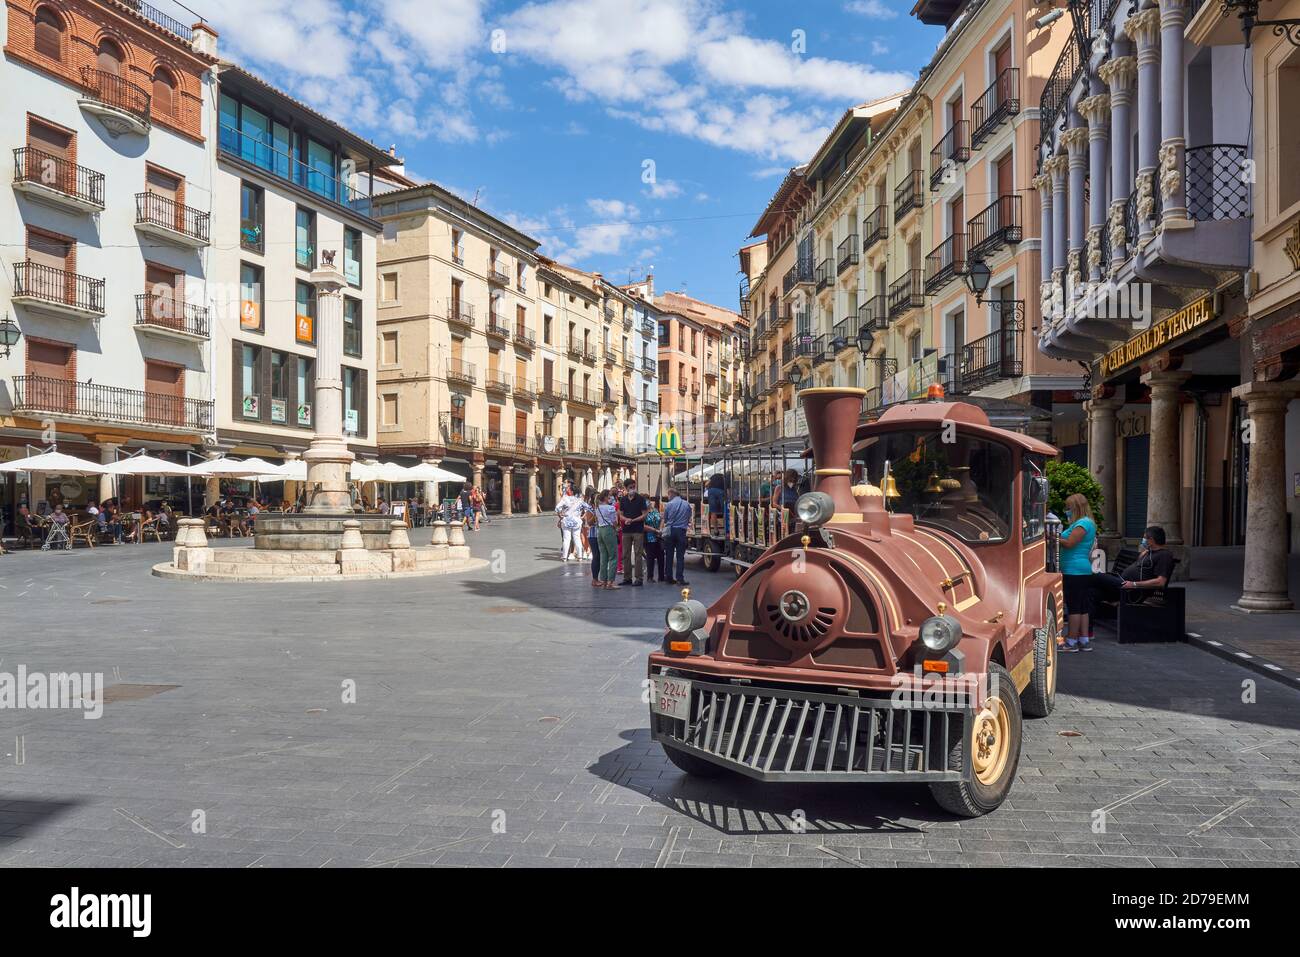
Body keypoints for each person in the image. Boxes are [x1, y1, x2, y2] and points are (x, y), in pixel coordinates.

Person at [1091, 526, 1176, 606]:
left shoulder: (1164, 555)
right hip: (1121, 584)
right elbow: (1138, 567)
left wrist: (1134, 584)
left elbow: (1160, 582)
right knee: (1091, 593)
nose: (1143, 540)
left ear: (1151, 540)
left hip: (1131, 590)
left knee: (1095, 576)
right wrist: (1145, 552)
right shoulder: (1149, 552)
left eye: (1145, 538)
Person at [1058, 492, 1098, 653]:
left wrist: (1053, 537)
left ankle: (1071, 641)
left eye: (1068, 508)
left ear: (1075, 508)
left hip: (1074, 570)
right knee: (1082, 607)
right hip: (1080, 570)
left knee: (1074, 607)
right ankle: (1083, 639)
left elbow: (1070, 543)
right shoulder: (1086, 523)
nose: (1066, 511)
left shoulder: (1082, 524)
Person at [662, 487, 693, 586]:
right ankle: (680, 578)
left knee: (669, 555)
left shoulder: (669, 505)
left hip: (670, 531)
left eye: (668, 494)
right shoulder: (686, 504)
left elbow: (665, 519)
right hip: (681, 532)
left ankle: (669, 577)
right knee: (680, 556)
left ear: (671, 494)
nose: (668, 496)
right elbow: (689, 516)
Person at [620, 477, 648, 586]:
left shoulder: (640, 499)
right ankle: (627, 578)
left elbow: (645, 514)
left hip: (638, 530)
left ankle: (639, 578)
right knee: (625, 554)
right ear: (626, 488)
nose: (632, 489)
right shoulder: (623, 499)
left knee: (638, 554)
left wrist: (634, 520)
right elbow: (620, 514)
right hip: (626, 530)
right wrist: (625, 519)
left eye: (634, 487)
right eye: (630, 487)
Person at [596, 489, 619, 588]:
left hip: (600, 531)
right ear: (605, 497)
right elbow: (615, 522)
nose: (610, 498)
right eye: (609, 496)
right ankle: (610, 582)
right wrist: (616, 527)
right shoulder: (610, 508)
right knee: (613, 556)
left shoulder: (597, 508)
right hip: (608, 530)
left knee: (603, 556)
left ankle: (604, 581)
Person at [555, 484, 585, 561]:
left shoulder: (565, 498)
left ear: (571, 491)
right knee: (577, 538)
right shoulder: (579, 499)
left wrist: (560, 516)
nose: (566, 488)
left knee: (566, 539)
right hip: (576, 520)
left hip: (566, 520)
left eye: (568, 488)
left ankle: (564, 556)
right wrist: (581, 516)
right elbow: (586, 508)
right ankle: (580, 556)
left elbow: (557, 508)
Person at [643, 497, 666, 583]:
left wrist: (660, 529)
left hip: (658, 537)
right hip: (649, 538)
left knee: (661, 557)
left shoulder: (655, 510)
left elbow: (662, 519)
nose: (648, 503)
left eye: (648, 501)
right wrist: (655, 530)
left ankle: (661, 576)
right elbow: (643, 526)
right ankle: (650, 577)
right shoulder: (643, 513)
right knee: (650, 558)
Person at [582, 487, 600, 584]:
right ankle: (594, 579)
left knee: (600, 557)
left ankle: (598, 578)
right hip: (593, 535)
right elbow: (589, 523)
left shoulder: (601, 507)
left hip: (601, 535)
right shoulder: (590, 508)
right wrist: (596, 515)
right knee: (596, 556)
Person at [706, 473, 728, 537]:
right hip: (721, 491)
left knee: (713, 512)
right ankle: (725, 530)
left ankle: (716, 531)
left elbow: (706, 484)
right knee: (724, 511)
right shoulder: (725, 477)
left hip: (711, 491)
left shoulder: (714, 475)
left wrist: (708, 489)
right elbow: (728, 489)